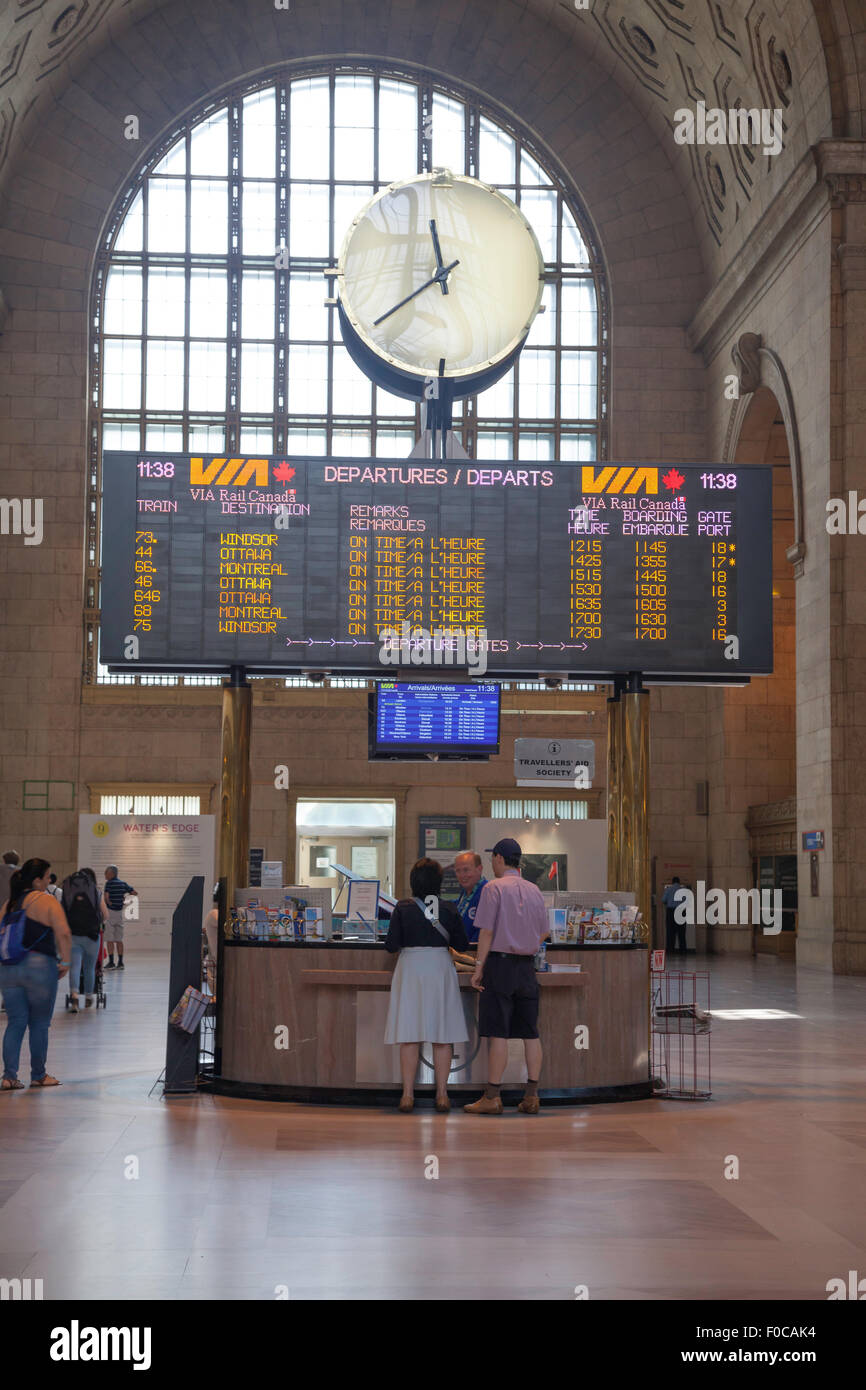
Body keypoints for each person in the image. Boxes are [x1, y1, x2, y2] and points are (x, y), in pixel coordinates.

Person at [464, 838, 548, 1117]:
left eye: (492, 858)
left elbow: (486, 932)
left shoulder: (493, 888)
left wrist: (478, 968)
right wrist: (526, 943)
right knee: (530, 1032)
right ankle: (532, 1097)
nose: (492, 863)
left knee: (498, 1033)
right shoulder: (535, 890)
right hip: (527, 969)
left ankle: (492, 1097)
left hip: (499, 967)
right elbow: (544, 932)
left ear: (499, 858)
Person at [384, 857, 469, 1113]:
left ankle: (407, 1095)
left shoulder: (403, 908)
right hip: (439, 969)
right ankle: (442, 1095)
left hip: (410, 969)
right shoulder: (450, 908)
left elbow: (391, 946)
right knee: (442, 1035)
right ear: (439, 883)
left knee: (410, 1034)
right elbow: (462, 945)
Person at [0, 857, 72, 1089]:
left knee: (15, 1022)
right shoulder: (46, 900)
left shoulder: (9, 903)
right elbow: (63, 933)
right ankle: (38, 1075)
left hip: (9, 968)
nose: (49, 880)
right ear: (38, 880)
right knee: (40, 1023)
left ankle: (9, 1077)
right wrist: (67, 961)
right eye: (47, 876)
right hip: (40, 967)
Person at [62, 868, 102, 1012]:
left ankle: (74, 996)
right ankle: (89, 996)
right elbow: (106, 914)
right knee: (89, 968)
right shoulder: (97, 892)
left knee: (75, 967)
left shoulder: (69, 890)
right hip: (91, 935)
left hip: (73, 934)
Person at [102, 865, 137, 970]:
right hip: (119, 913)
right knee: (119, 939)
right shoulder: (123, 883)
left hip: (110, 912)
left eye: (106, 873)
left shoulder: (109, 883)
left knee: (109, 940)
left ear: (111, 873)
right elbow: (134, 893)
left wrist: (108, 902)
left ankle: (111, 962)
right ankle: (121, 963)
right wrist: (124, 900)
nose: (105, 875)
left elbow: (106, 897)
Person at [453, 851, 487, 946]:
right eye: (458, 871)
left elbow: (485, 930)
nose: (462, 875)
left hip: (474, 954)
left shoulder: (487, 893)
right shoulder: (464, 894)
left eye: (466, 870)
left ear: (479, 869)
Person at [663, 877, 687, 955]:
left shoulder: (668, 889)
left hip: (670, 911)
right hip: (680, 911)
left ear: (672, 882)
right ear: (679, 882)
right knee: (681, 932)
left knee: (670, 932)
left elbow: (663, 900)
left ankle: (670, 950)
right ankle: (682, 950)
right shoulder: (683, 890)